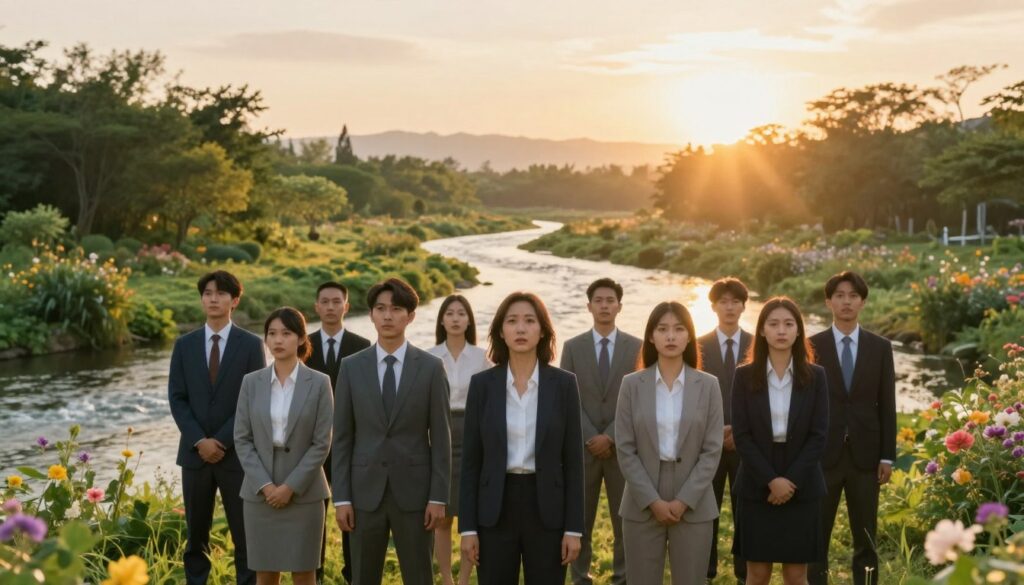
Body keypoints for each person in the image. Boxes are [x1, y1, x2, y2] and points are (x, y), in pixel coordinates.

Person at [332, 278, 452, 585]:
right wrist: (341, 497)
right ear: (370, 314)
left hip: (415, 493)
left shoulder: (430, 367)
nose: (387, 316)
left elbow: (441, 439)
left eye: (396, 309)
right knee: (362, 576)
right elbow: (343, 438)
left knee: (419, 576)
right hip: (363, 493)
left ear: (411, 316)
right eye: (380, 309)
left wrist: (438, 496)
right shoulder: (350, 367)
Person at [459, 291, 585, 585]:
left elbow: (574, 461)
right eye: (512, 321)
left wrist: (573, 529)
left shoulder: (564, 384)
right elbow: (470, 463)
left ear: (542, 331)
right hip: (494, 510)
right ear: (501, 331)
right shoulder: (482, 385)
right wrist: (467, 528)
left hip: (548, 509)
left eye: (530, 321)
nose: (520, 328)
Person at [168, 270, 266, 585]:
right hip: (195, 455)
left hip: (236, 455)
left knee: (244, 534)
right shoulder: (184, 345)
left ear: (234, 300)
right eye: (208, 293)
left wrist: (221, 441)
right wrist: (199, 440)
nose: (213, 298)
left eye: (221, 293)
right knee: (196, 536)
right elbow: (177, 398)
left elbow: (252, 400)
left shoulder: (250, 344)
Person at [615, 301, 724, 585]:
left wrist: (684, 500)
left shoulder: (708, 385)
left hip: (695, 498)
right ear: (651, 336)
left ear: (690, 336)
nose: (671, 336)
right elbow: (625, 448)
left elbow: (712, 450)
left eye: (679, 329)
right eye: (662, 329)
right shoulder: (631, 384)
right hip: (642, 496)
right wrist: (652, 500)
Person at [731, 297, 829, 585]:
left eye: (789, 324)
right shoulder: (744, 376)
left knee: (796, 575)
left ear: (799, 331)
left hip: (802, 482)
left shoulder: (816, 377)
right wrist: (771, 480)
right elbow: (742, 435)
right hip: (756, 481)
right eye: (773, 324)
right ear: (762, 330)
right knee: (757, 573)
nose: (781, 331)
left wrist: (789, 482)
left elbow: (818, 435)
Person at [234, 307, 334, 585]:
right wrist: (266, 486)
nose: (278, 340)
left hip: (304, 493)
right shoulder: (251, 383)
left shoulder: (319, 383)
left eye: (286, 334)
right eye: (272, 334)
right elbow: (242, 438)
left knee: (304, 573)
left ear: (302, 339)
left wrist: (290, 487)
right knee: (265, 575)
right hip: (259, 493)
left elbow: (321, 442)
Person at [808, 272, 896, 585]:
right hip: (822, 456)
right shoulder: (811, 345)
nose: (846, 301)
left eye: (853, 296)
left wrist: (887, 456)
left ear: (862, 302)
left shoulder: (880, 347)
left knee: (866, 538)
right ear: (828, 301)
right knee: (817, 538)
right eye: (840, 295)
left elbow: (887, 404)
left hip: (866, 458)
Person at [560, 278, 641, 585]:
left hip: (623, 449)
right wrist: (591, 435)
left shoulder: (637, 347)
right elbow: (568, 398)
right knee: (580, 520)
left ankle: (623, 577)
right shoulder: (572, 347)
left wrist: (612, 436)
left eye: (610, 300)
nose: (605, 305)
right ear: (589, 306)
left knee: (625, 520)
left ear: (619, 306)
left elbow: (639, 398)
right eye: (599, 300)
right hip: (583, 448)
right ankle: (580, 576)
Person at [306, 281, 371, 584]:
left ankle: (353, 576)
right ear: (316, 306)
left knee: (352, 518)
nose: (331, 307)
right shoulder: (301, 346)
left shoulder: (363, 347)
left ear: (346, 306)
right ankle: (313, 575)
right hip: (311, 448)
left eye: (337, 302)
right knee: (312, 518)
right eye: (325, 302)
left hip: (352, 447)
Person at [428, 294, 492, 585]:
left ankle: (465, 579)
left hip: (473, 431)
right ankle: (446, 578)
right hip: (438, 431)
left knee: (470, 512)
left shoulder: (481, 357)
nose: (455, 318)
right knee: (441, 516)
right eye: (450, 313)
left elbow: (491, 400)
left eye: (461, 313)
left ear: (469, 320)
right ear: (441, 319)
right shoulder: (429, 356)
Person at [697, 277, 753, 583]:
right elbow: (693, 393)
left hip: (747, 444)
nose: (730, 307)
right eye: (724, 302)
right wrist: (716, 430)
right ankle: (706, 572)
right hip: (708, 442)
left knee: (746, 510)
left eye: (735, 301)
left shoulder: (758, 343)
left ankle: (745, 573)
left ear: (744, 306)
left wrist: (739, 431)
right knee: (707, 511)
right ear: (714, 307)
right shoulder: (698, 344)